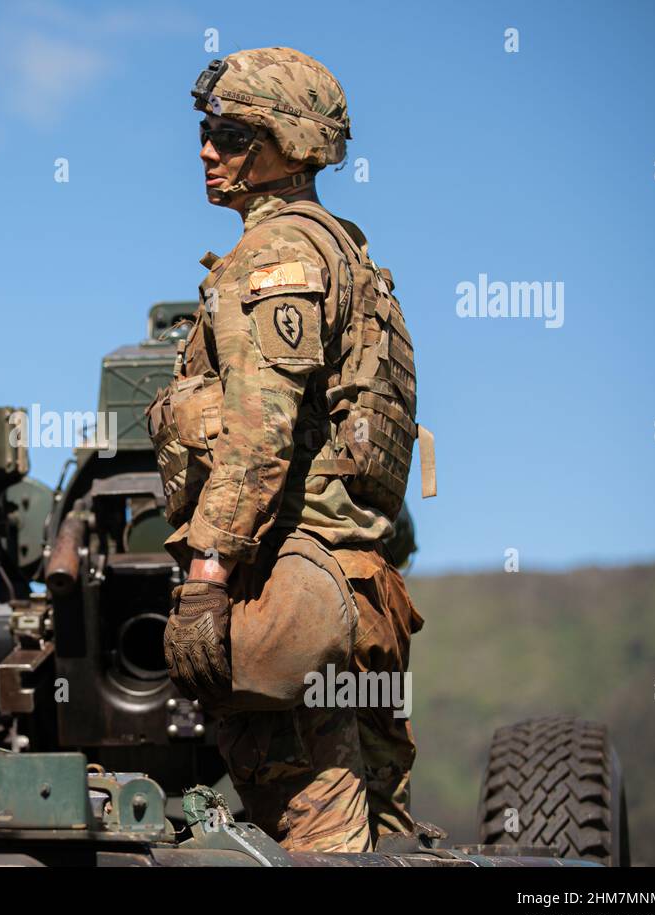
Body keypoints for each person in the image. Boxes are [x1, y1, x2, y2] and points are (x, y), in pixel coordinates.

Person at [147, 47, 429, 850]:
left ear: (291, 146)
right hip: (359, 593)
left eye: (233, 135)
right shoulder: (349, 256)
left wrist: (207, 578)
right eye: (208, 131)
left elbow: (256, 437)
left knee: (319, 838)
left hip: (289, 590)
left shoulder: (274, 257)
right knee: (385, 839)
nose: (208, 149)